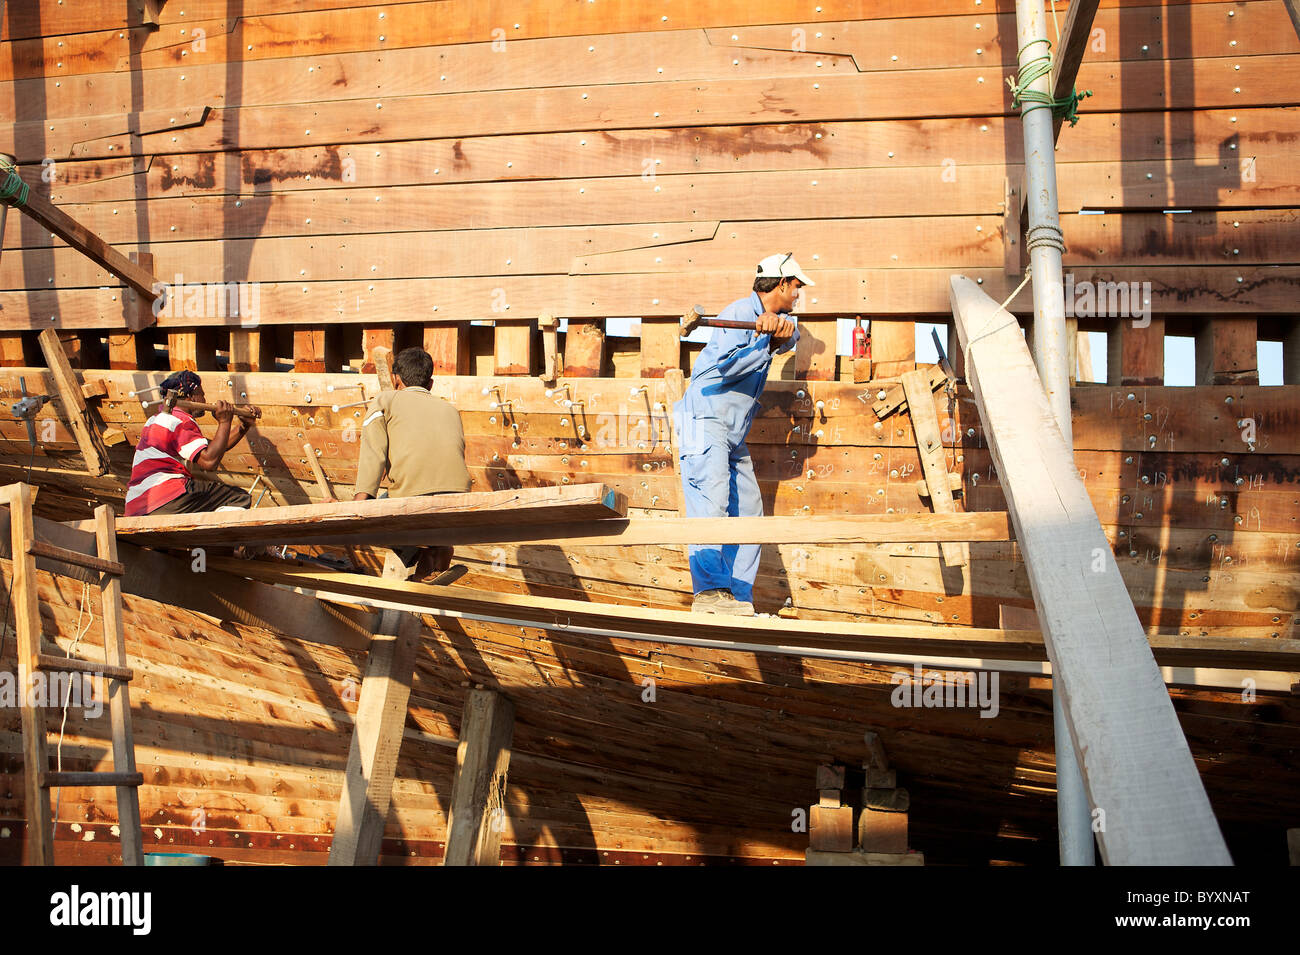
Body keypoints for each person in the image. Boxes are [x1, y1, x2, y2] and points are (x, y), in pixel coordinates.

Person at [675, 252, 812, 615]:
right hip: (703, 419)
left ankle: (736, 596)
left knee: (749, 510)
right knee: (711, 501)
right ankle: (709, 595)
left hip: (731, 432)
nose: (798, 294)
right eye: (796, 287)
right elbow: (726, 367)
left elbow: (791, 335)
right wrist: (764, 343)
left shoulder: (775, 320)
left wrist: (782, 332)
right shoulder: (738, 312)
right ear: (781, 283)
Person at [353, 346, 472, 582]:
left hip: (413, 499)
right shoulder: (450, 410)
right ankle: (435, 554)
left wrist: (357, 507)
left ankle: (427, 553)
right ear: (430, 384)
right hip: (458, 502)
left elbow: (373, 454)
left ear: (396, 380)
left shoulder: (384, 400)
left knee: (369, 520)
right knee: (423, 509)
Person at [125, 370, 256, 517]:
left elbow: (216, 448)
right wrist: (224, 421)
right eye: (202, 394)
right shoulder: (179, 420)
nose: (205, 400)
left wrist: (243, 427)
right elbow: (210, 461)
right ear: (191, 396)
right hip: (168, 496)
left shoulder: (156, 421)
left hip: (137, 507)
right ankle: (209, 537)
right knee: (238, 499)